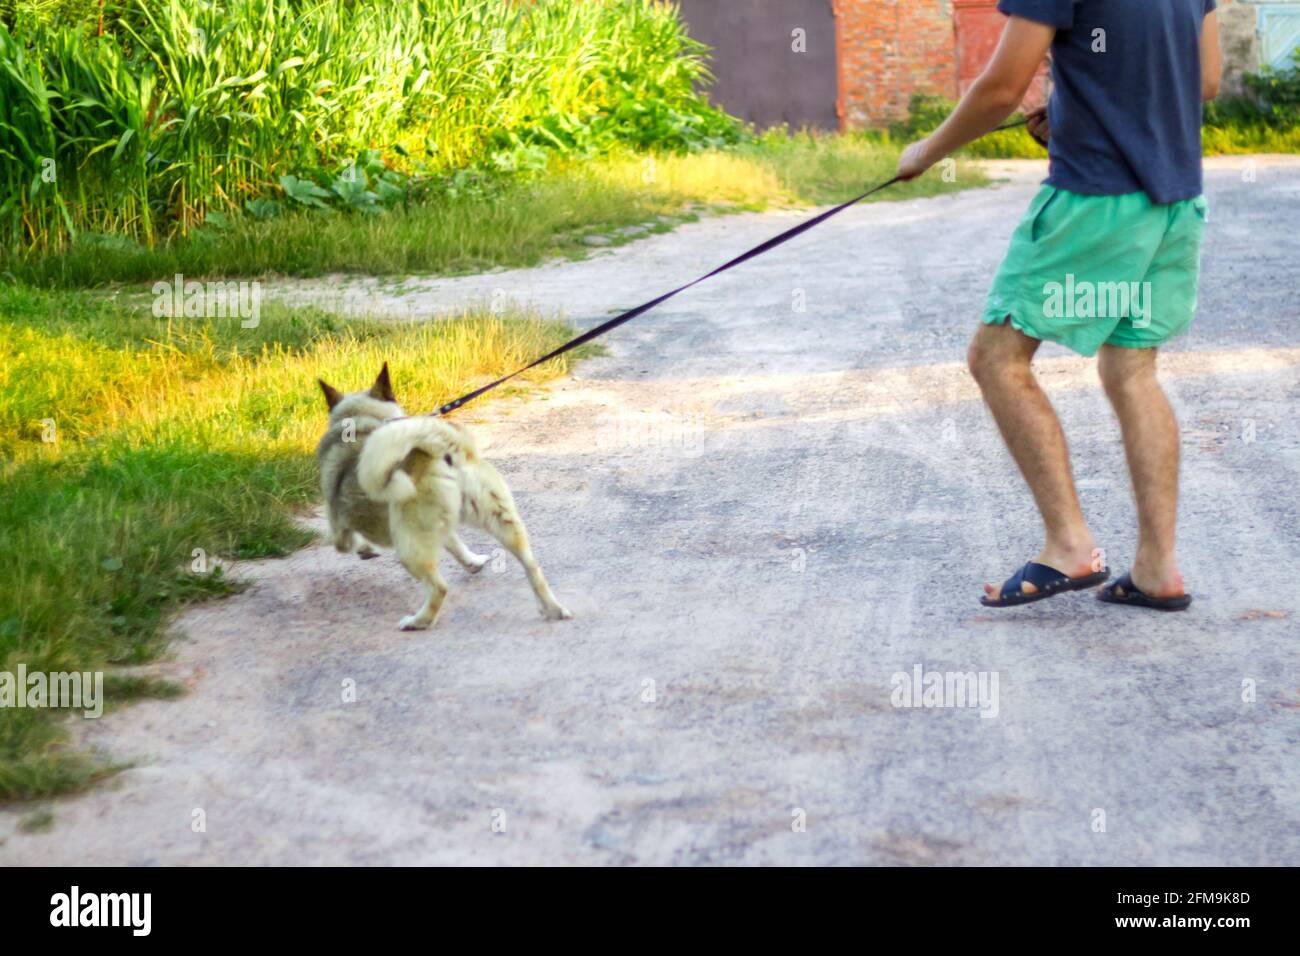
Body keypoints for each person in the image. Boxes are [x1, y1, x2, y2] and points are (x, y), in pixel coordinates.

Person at [897, 0, 1221, 611]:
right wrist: (1078, 111)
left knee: (997, 357)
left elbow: (1000, 89)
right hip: (1174, 202)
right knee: (1131, 370)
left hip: (1095, 203)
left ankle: (1069, 546)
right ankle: (1157, 568)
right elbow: (1203, 80)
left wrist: (926, 152)